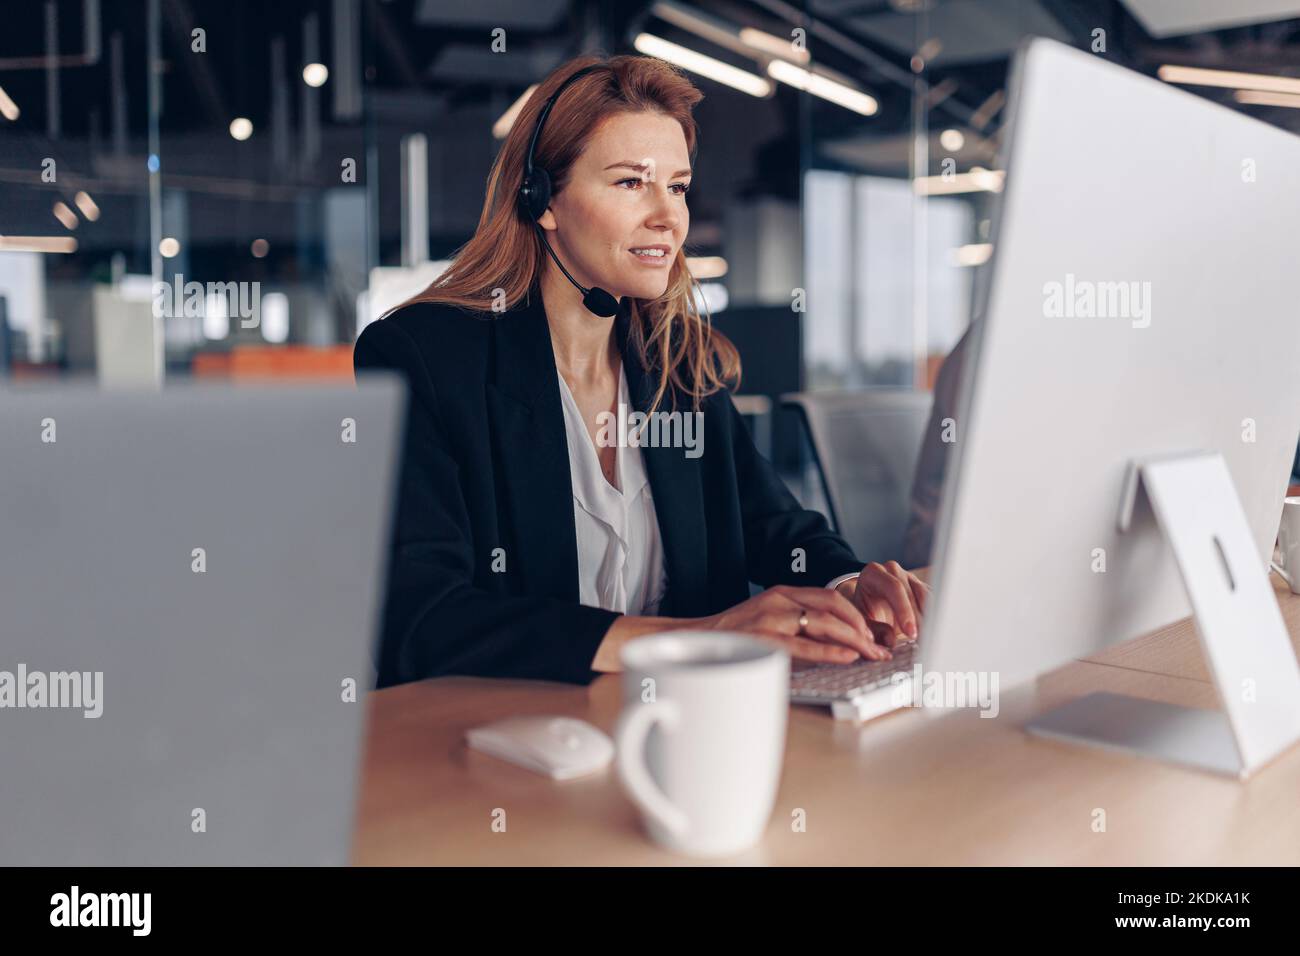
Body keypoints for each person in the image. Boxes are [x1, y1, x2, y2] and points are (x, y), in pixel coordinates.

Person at [354, 54, 927, 687]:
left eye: (678, 186)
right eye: (632, 182)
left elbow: (773, 523)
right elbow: (420, 620)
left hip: (680, 728)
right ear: (540, 199)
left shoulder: (678, 361)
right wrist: (699, 639)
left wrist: (847, 583)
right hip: (503, 742)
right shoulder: (423, 358)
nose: (669, 216)